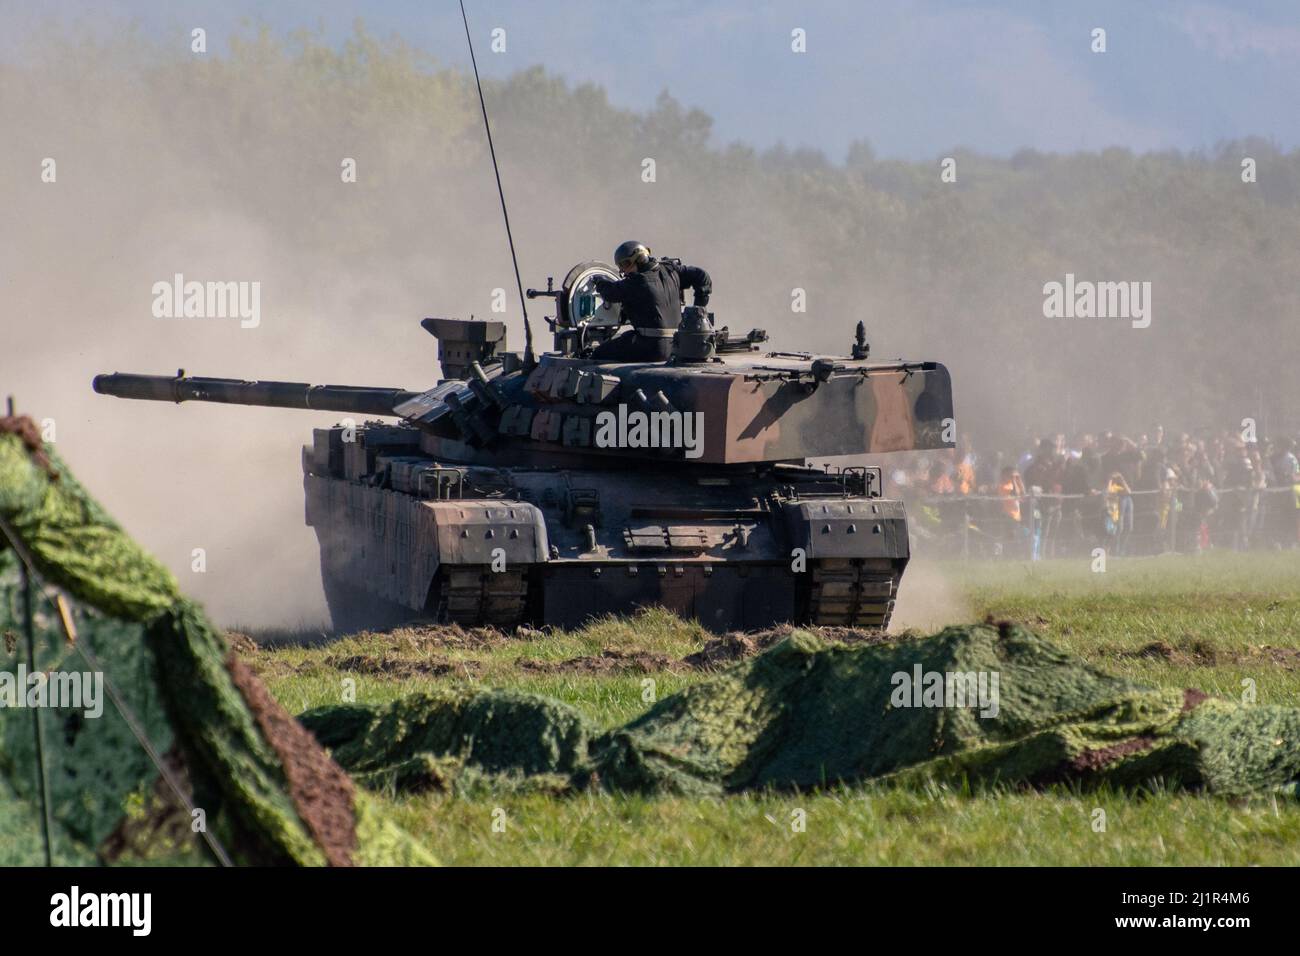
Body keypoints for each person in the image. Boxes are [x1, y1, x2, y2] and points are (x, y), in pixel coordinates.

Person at [589, 241, 712, 361]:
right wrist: (698, 311)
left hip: (649, 347)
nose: (623, 271)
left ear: (639, 259)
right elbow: (702, 276)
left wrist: (600, 282)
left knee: (597, 354)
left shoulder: (637, 282)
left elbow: (610, 293)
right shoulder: (671, 271)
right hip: (677, 346)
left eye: (625, 264)